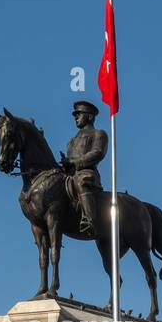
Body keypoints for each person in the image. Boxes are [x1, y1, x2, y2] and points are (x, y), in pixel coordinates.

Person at [61, 100, 108, 236]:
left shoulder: (99, 134)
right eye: (75, 115)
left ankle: (89, 219)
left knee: (81, 182)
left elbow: (97, 153)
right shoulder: (71, 141)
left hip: (87, 174)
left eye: (79, 114)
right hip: (70, 175)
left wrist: (75, 163)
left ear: (90, 116)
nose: (76, 117)